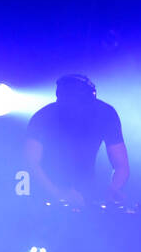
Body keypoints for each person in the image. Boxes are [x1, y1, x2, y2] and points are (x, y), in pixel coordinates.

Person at [25, 75, 129, 208]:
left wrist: (113, 189)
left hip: (86, 191)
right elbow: (31, 162)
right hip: (46, 193)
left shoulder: (105, 113)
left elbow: (121, 165)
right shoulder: (43, 116)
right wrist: (58, 194)